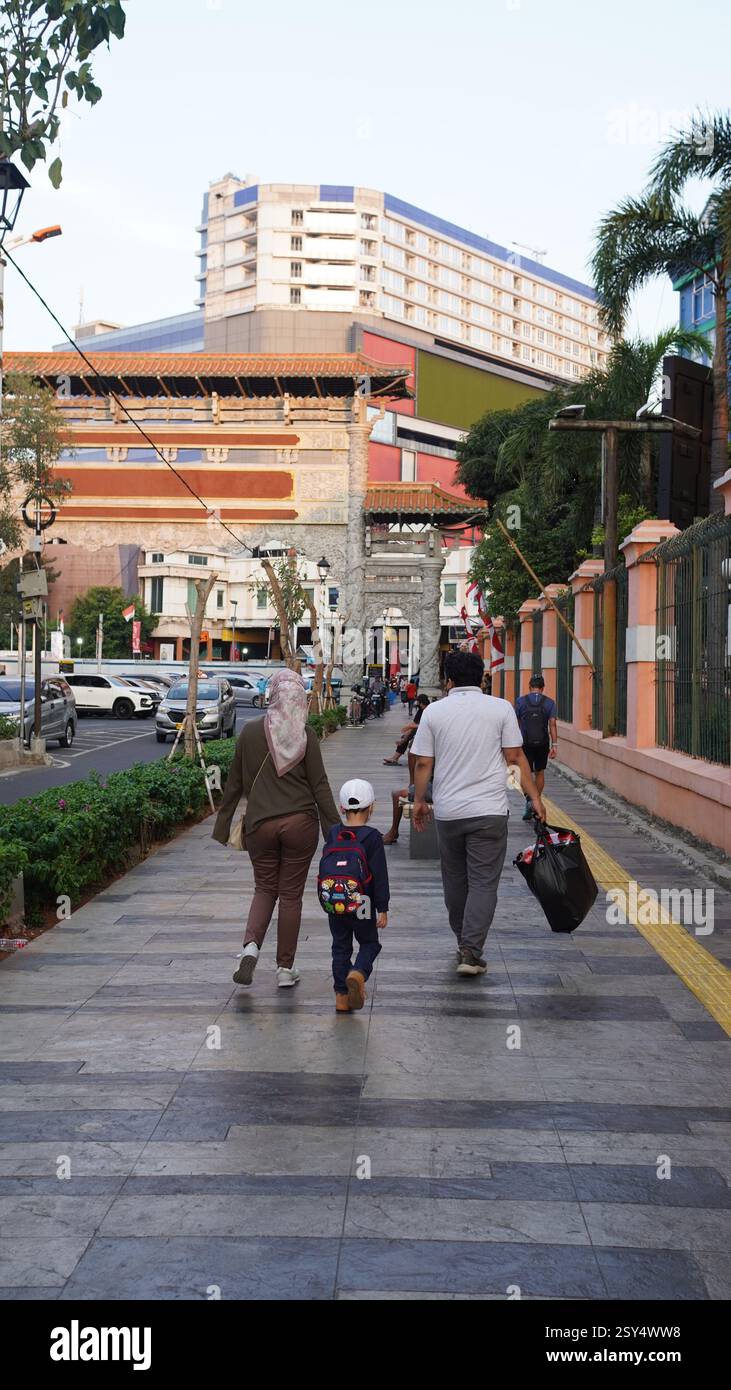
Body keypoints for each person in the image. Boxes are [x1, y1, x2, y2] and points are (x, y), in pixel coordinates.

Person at [411, 649, 545, 977]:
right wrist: (535, 798)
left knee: (455, 881)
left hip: (449, 812)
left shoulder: (434, 712)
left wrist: (418, 801)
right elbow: (514, 757)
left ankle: (464, 943)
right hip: (490, 812)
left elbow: (423, 762)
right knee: (484, 882)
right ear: (482, 677)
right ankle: (470, 950)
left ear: (449, 680)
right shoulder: (500, 708)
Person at [213, 668, 339, 988]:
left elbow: (235, 784)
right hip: (300, 825)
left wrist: (222, 824)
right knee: (291, 896)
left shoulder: (250, 732)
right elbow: (320, 785)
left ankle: (250, 947)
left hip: (260, 827)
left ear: (272, 695)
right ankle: (285, 969)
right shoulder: (305, 735)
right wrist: (335, 833)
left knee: (265, 889)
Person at [319, 778, 389, 1013]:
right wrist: (383, 908)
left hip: (335, 904)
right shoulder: (372, 837)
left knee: (340, 947)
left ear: (342, 808)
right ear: (371, 808)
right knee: (370, 943)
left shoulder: (334, 832)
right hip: (363, 904)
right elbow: (379, 875)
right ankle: (358, 972)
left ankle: (341, 997)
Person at [514, 673, 558, 821]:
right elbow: (552, 724)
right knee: (539, 772)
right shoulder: (550, 703)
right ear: (543, 687)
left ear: (529, 686)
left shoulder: (521, 701)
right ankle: (536, 800)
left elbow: (516, 723)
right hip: (543, 743)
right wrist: (555, 745)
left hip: (524, 743)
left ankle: (529, 800)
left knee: (523, 773)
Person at [383, 693, 430, 765]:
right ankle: (395, 756)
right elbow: (414, 722)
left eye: (417, 701)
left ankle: (395, 757)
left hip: (426, 731)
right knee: (407, 734)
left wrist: (409, 727)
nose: (416, 703)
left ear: (421, 702)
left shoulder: (428, 710)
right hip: (418, 729)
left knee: (409, 734)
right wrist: (408, 729)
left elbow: (425, 725)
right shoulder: (420, 710)